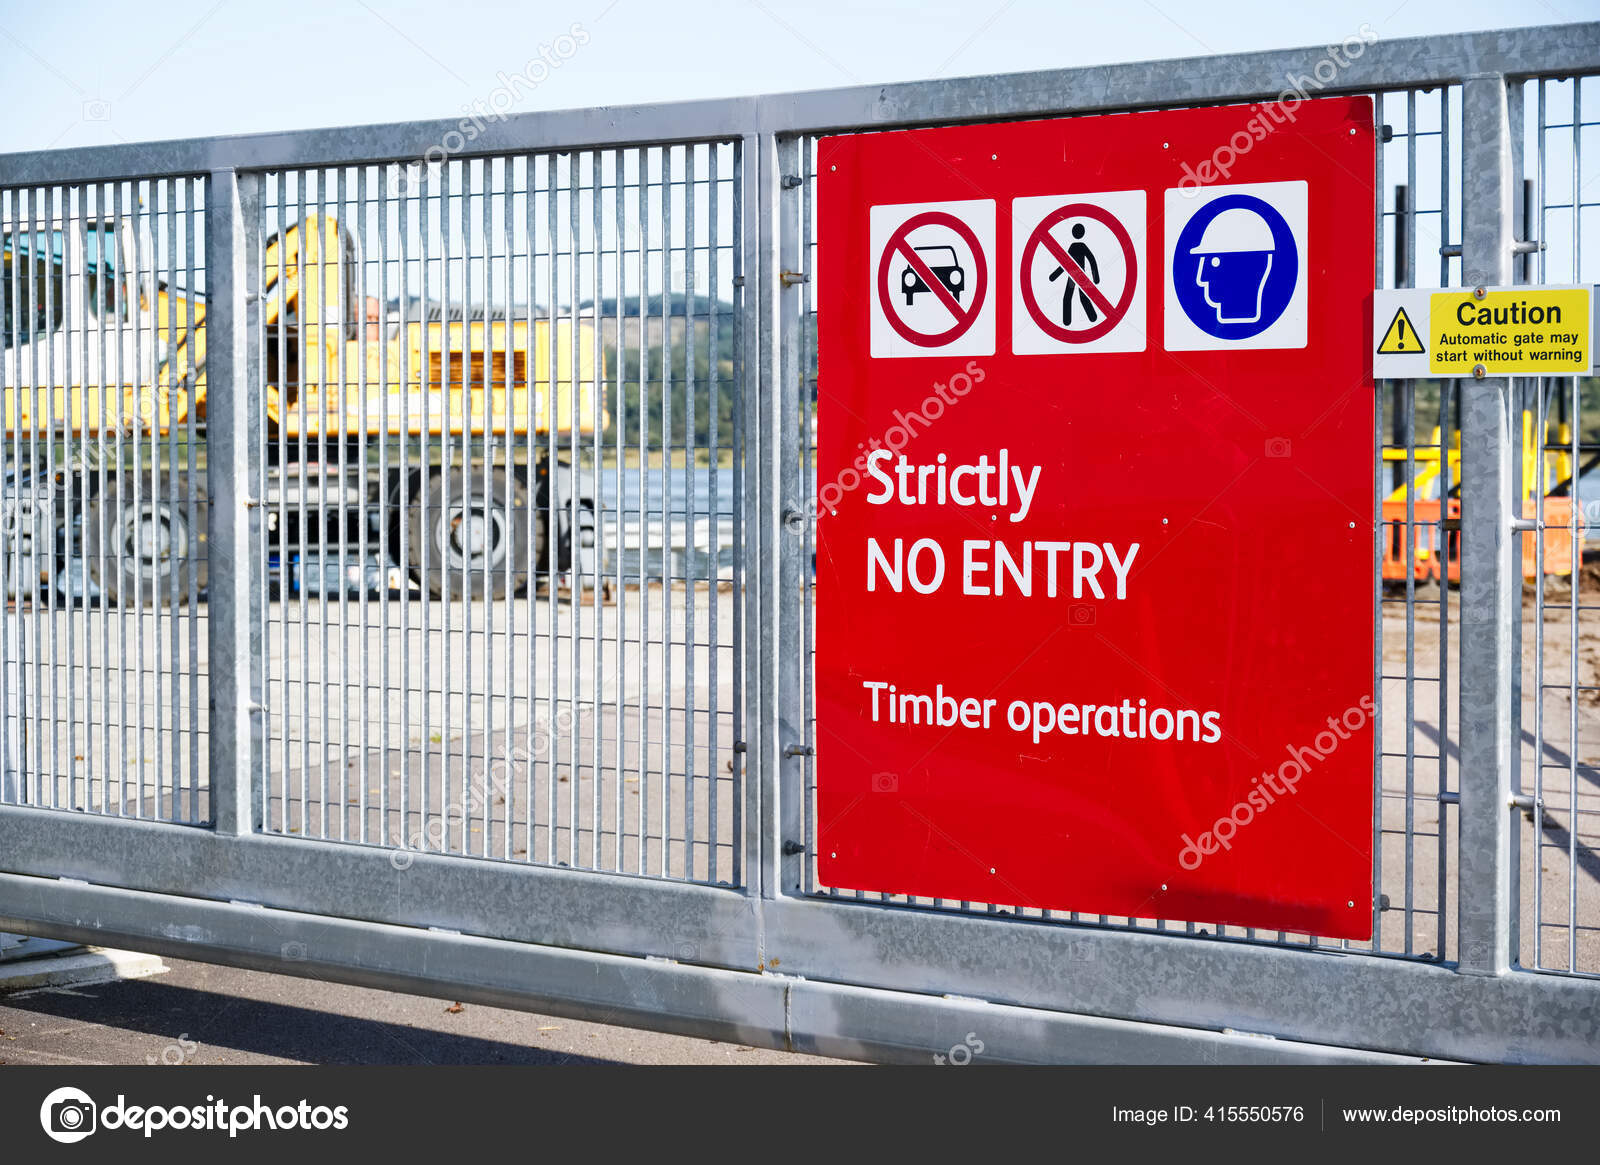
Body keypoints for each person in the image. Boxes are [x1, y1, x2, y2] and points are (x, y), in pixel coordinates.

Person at [1047, 223, 1099, 325]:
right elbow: (1091, 260)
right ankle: (1092, 317)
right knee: (1081, 297)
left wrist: (1054, 276)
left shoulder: (1074, 247)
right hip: (1080, 277)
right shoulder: (1082, 246)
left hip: (1074, 277)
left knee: (1068, 297)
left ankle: (1069, 320)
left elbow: (1065, 263)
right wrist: (1096, 277)